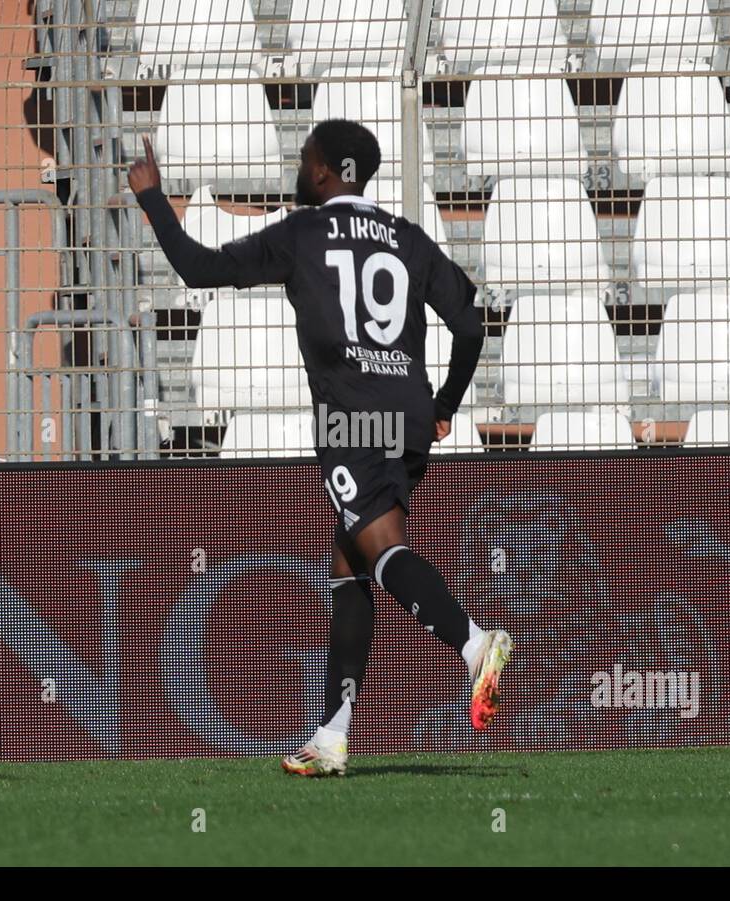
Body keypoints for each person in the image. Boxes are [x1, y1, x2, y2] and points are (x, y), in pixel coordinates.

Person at [129, 120, 512, 777]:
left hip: (351, 419)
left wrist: (152, 198)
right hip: (410, 418)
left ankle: (475, 644)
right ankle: (332, 736)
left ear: (329, 172)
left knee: (378, 548)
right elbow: (472, 323)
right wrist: (445, 405)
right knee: (348, 563)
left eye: (305, 161)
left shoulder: (303, 234)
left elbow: (198, 266)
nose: (299, 170)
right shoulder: (407, 238)